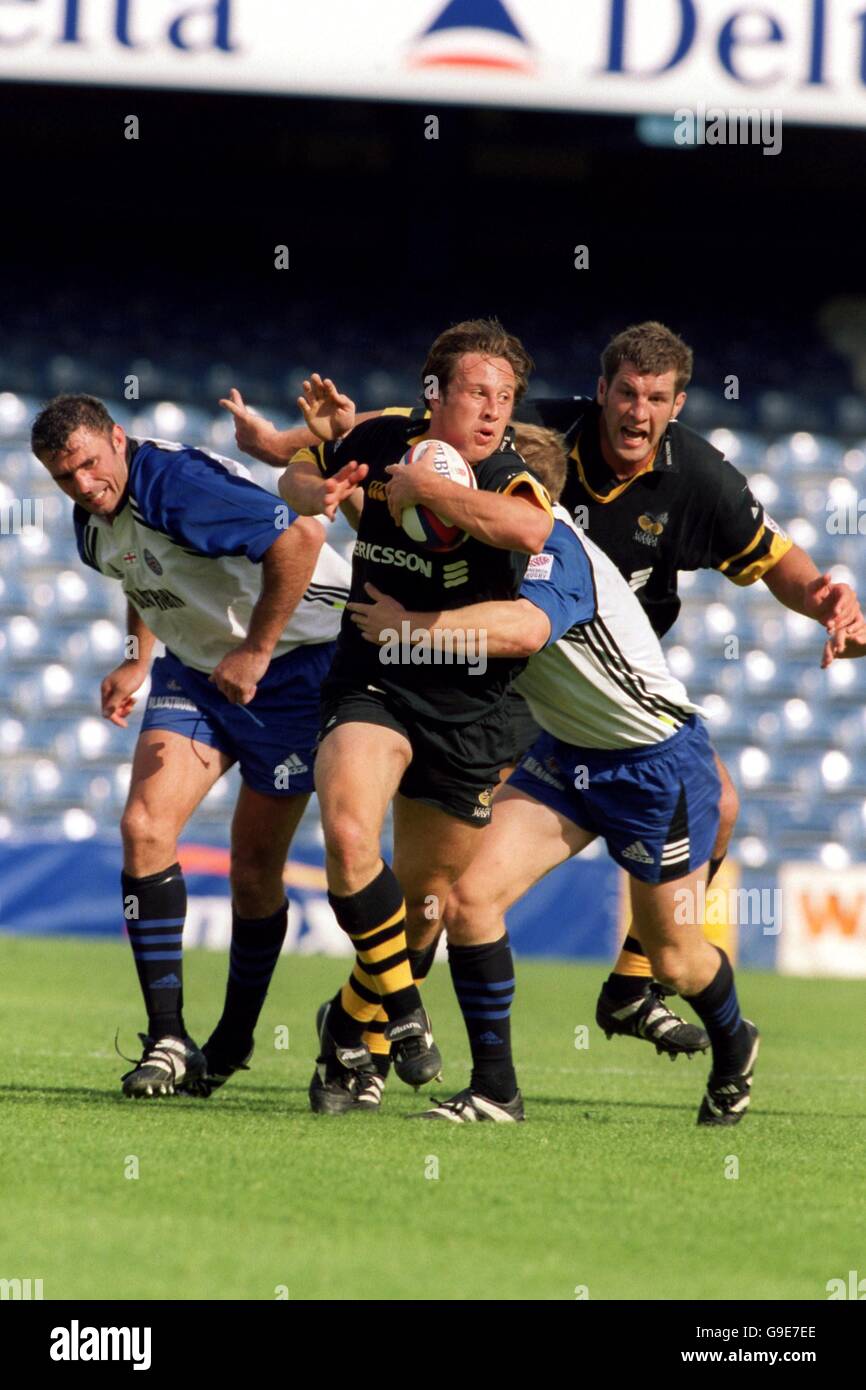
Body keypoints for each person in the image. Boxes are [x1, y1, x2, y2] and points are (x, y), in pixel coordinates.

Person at [223, 322, 861, 1059]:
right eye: (625, 392)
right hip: (500, 677)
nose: (637, 412)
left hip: (579, 680)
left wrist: (826, 600)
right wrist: (286, 449)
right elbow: (403, 428)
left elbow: (777, 559)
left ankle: (631, 983)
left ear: (678, 405)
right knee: (442, 893)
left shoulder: (701, 481)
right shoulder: (537, 431)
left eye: (656, 398)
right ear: (602, 391)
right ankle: (372, 1033)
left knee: (716, 806)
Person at [349, 443, 758, 1127]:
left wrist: (410, 630)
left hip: (651, 762)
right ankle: (496, 1092)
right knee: (471, 898)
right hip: (568, 756)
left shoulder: (557, 550)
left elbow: (524, 629)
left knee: (676, 959)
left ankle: (735, 1043)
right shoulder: (477, 550)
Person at [32, 394, 348, 1098]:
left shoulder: (175, 487)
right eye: (63, 477)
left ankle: (234, 1037)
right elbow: (142, 577)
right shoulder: (92, 523)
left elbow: (297, 541)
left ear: (118, 438)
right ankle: (167, 1040)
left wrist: (259, 652)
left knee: (254, 868)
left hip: (295, 667)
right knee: (144, 828)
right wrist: (135, 659)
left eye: (88, 464)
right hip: (195, 672)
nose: (83, 484)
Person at [276, 319, 554, 1114]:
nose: (494, 410)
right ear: (434, 393)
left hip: (470, 708)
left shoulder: (505, 471)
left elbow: (530, 529)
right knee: (351, 832)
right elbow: (297, 472)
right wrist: (316, 491)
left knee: (424, 907)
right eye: (477, 392)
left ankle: (346, 1031)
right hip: (376, 683)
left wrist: (432, 489)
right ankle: (405, 1019)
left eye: (505, 397)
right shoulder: (384, 433)